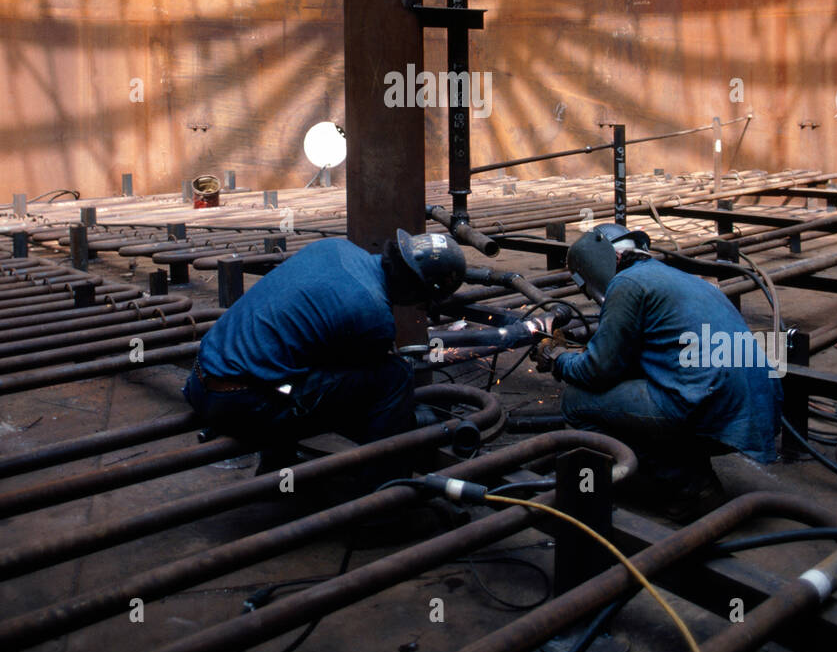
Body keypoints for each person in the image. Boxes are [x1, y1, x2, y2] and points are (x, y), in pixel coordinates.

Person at [536, 223, 783, 521]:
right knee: (638, 390)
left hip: (710, 408)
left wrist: (557, 358)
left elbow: (597, 370)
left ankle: (690, 486)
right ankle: (687, 470)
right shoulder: (682, 278)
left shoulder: (627, 283)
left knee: (577, 402)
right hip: (758, 409)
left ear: (601, 261)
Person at [183, 229, 466, 469]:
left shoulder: (334, 247)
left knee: (293, 361)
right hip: (238, 407)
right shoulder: (374, 316)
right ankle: (382, 494)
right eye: (422, 302)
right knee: (395, 376)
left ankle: (279, 465)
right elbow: (353, 377)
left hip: (198, 382)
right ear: (415, 289)